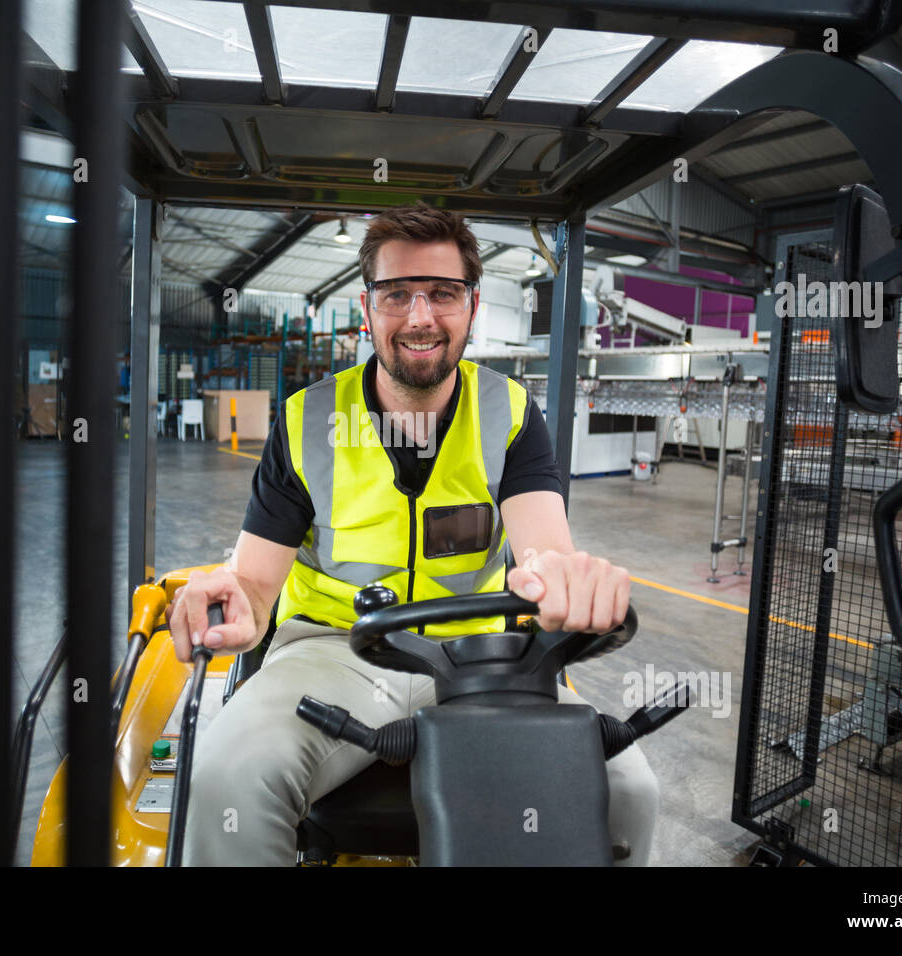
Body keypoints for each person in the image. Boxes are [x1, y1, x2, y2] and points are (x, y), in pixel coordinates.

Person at [166, 203, 659, 865]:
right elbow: (255, 590)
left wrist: (567, 581)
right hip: (332, 652)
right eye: (397, 294)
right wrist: (231, 599)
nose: (421, 317)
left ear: (473, 305)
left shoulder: (510, 414)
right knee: (226, 776)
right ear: (367, 308)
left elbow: (546, 551)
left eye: (443, 293)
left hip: (478, 658)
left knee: (628, 785)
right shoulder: (308, 420)